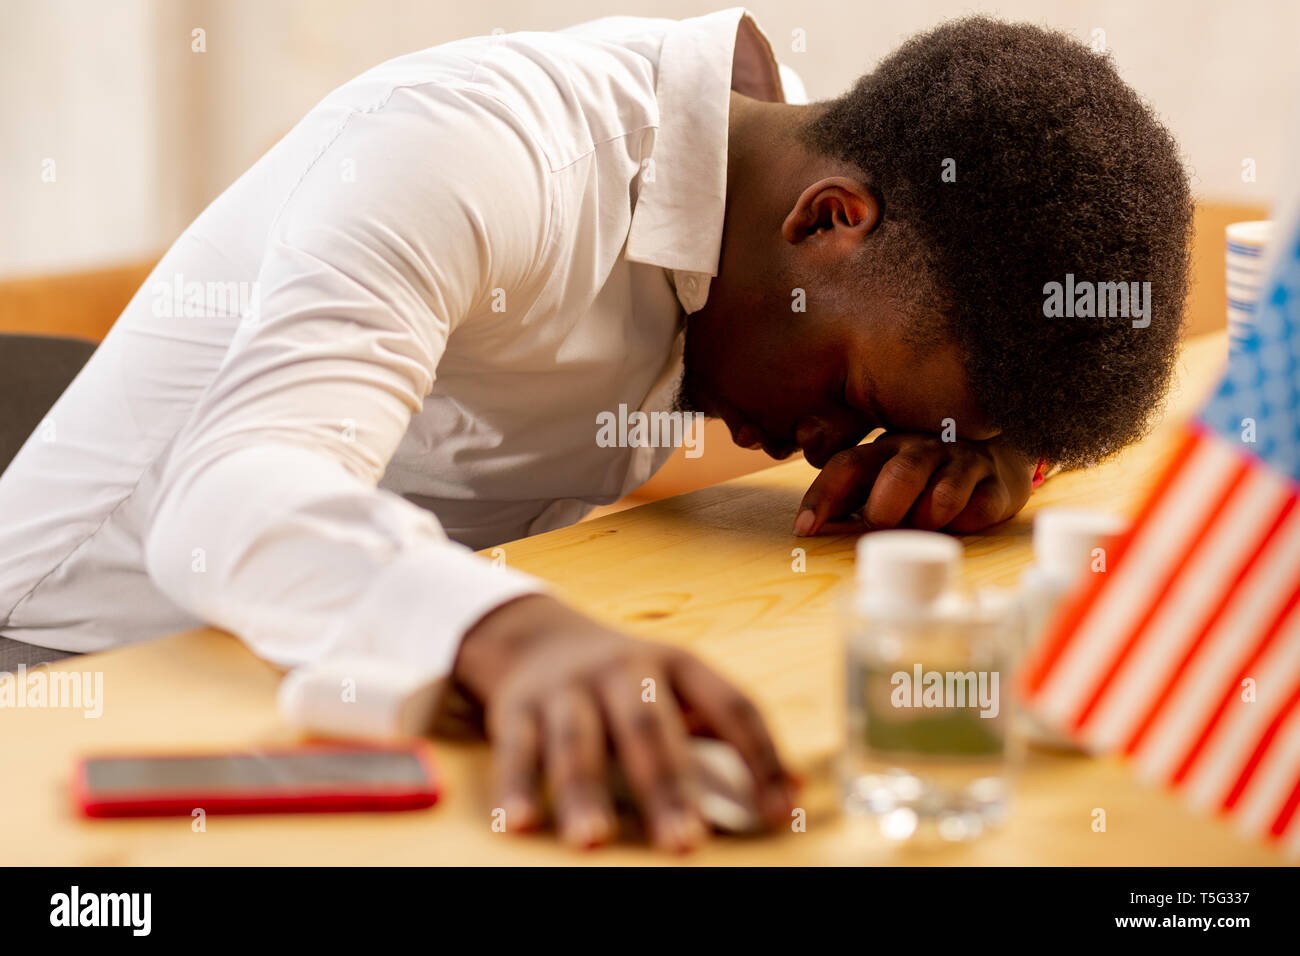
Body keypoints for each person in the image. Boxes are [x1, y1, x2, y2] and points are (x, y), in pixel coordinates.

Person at [0, 10, 1192, 850]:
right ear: (830, 219)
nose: (835, 446)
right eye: (859, 399)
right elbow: (225, 495)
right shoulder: (468, 151)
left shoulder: (772, 198)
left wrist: (989, 451)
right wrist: (511, 631)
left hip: (343, 675)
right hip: (75, 672)